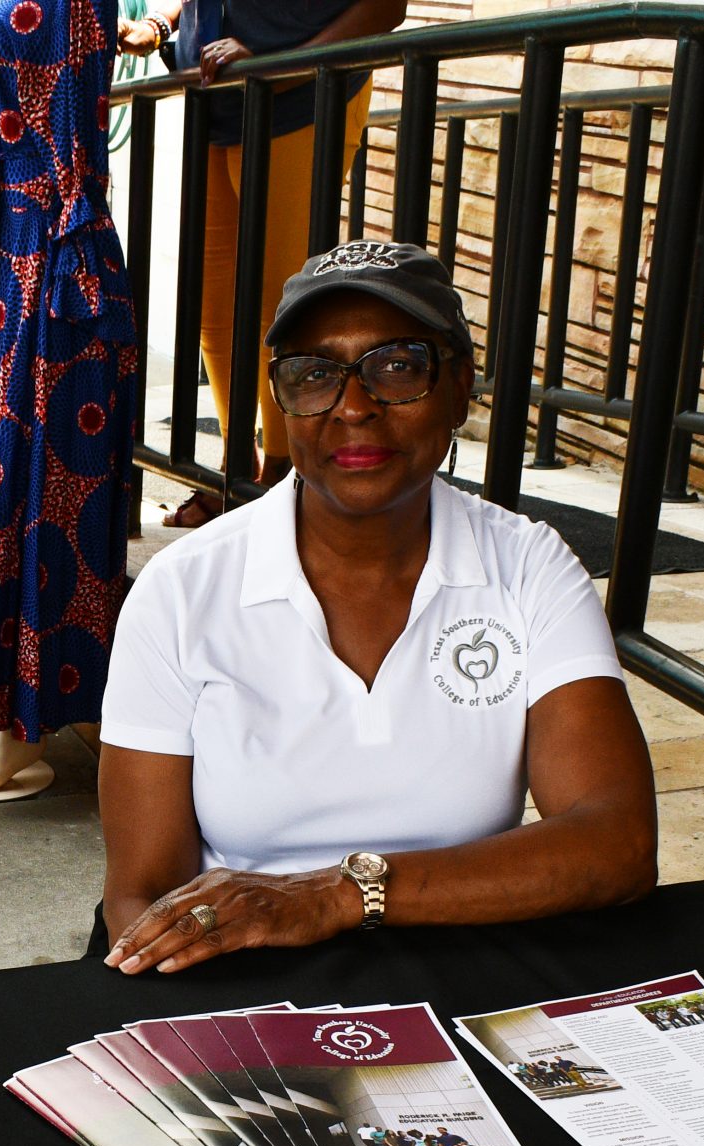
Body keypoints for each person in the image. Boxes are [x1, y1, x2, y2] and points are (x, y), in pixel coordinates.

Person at [99, 243, 657, 974]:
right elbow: (143, 894)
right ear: (281, 403)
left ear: (459, 389)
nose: (354, 406)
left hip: (468, 952)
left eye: (397, 367)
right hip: (247, 973)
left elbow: (617, 842)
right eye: (314, 374)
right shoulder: (181, 591)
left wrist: (338, 894)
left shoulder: (529, 568)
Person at [130, 0, 408, 526]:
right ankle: (235, 467)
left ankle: (283, 475)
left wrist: (295, 60)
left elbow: (386, 7)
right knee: (212, 305)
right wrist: (158, 24)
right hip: (215, 101)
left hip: (297, 97)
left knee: (280, 304)